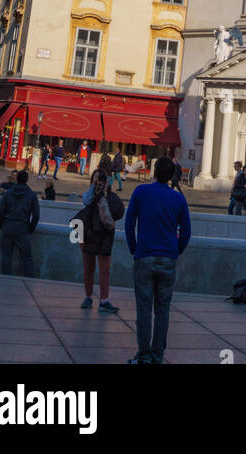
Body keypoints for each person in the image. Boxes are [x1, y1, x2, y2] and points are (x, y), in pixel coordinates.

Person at [125, 156, 191, 365]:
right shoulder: (178, 199)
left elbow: (129, 222)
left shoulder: (141, 192)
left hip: (144, 255)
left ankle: (143, 355)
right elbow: (187, 231)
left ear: (154, 172)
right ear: (172, 175)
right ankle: (157, 355)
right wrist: (176, 250)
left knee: (143, 308)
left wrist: (134, 247)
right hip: (167, 258)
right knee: (163, 309)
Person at [77, 167, 124, 313]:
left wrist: (105, 193)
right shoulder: (89, 195)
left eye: (101, 179)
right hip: (88, 235)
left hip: (104, 237)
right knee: (88, 269)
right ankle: (88, 297)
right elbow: (86, 201)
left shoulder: (112, 198)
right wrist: (93, 187)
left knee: (104, 270)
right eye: (95, 178)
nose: (98, 182)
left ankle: (104, 300)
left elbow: (117, 213)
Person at [0, 168, 40, 276]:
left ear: (17, 179)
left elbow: (0, 212)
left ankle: (5, 280)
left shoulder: (8, 193)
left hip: (7, 226)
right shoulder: (31, 195)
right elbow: (36, 216)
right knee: (27, 258)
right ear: (26, 180)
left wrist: (2, 225)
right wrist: (30, 229)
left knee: (6, 257)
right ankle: (29, 280)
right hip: (22, 227)